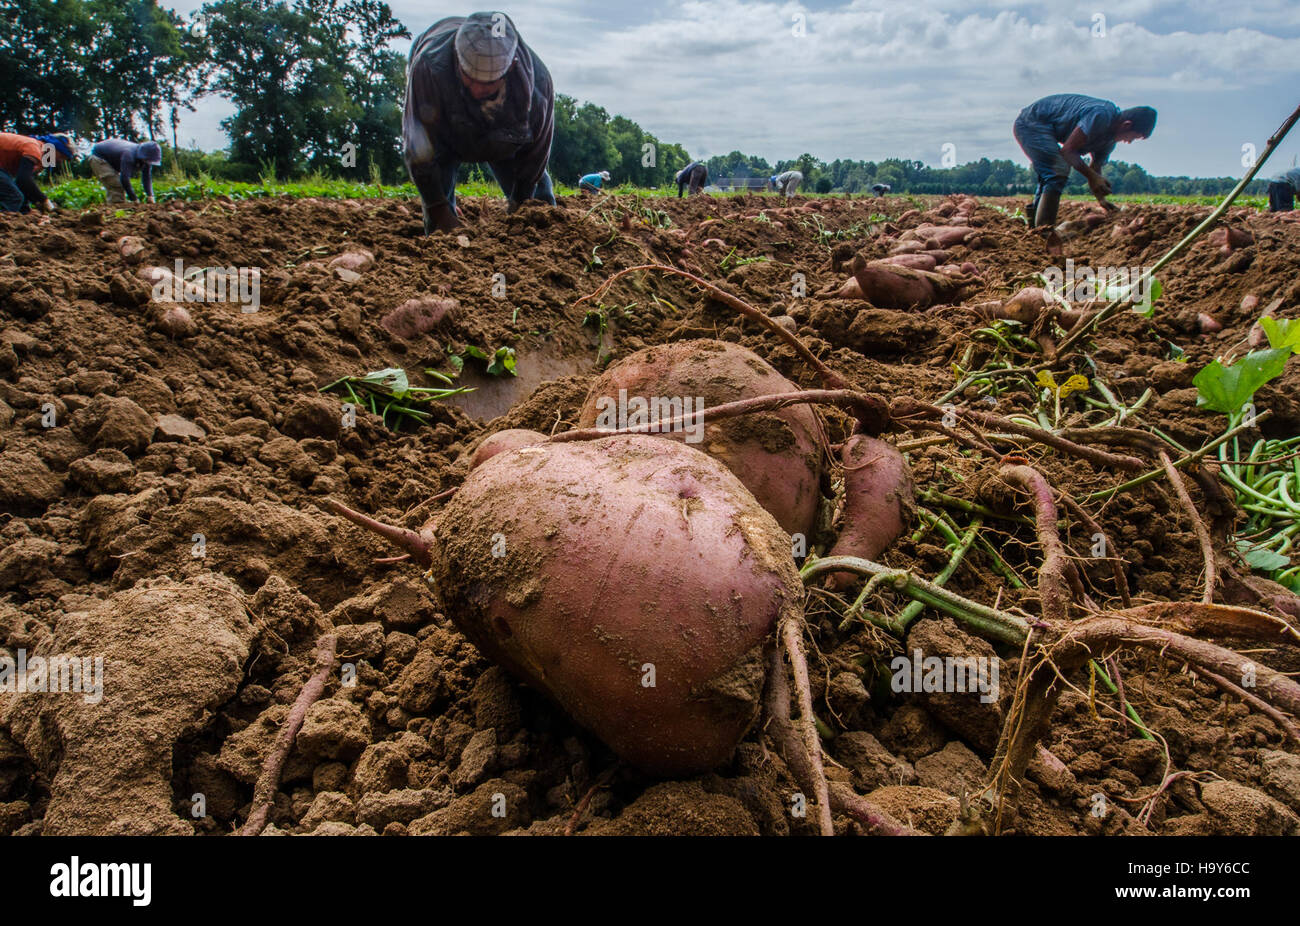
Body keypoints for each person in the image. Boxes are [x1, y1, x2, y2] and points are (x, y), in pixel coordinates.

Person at [402, 12, 556, 234]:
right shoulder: (428, 68)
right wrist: (439, 210)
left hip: (506, 139)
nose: (476, 90)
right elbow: (418, 149)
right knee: (440, 228)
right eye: (469, 78)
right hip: (445, 134)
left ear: (510, 67)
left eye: (488, 84)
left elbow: (536, 153)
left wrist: (520, 206)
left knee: (537, 210)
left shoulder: (538, 87)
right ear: (457, 58)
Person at [1013, 94, 1156, 232]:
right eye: (1134, 137)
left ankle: (1034, 229)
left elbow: (1095, 169)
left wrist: (1101, 200)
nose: (1130, 142)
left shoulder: (1109, 141)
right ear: (1126, 125)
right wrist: (1092, 176)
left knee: (1051, 174)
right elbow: (1068, 151)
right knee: (1057, 169)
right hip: (1031, 123)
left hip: (1044, 127)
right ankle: (1044, 231)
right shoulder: (1101, 116)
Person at [0, 132, 73, 213]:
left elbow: (21, 186)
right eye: (61, 156)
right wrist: (44, 200)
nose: (60, 161)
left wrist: (35, 203)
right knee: (14, 197)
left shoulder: (36, 153)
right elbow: (23, 180)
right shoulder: (34, 148)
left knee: (19, 200)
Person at [89, 138, 162, 204]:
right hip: (99, 158)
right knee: (116, 185)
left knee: (115, 185)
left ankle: (114, 206)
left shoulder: (146, 160)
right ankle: (117, 209)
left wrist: (150, 195)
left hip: (111, 159)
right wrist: (134, 198)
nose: (149, 163)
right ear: (143, 155)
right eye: (148, 160)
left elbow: (146, 177)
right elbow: (124, 179)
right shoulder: (129, 154)